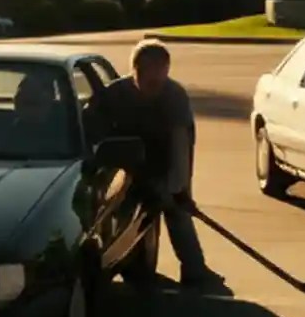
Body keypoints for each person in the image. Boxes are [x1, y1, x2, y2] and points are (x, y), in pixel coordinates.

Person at [96, 39, 225, 290]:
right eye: (148, 77)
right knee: (125, 216)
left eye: (160, 75)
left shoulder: (175, 97)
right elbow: (91, 132)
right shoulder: (112, 95)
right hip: (124, 169)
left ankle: (194, 270)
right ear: (135, 71)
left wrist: (179, 189)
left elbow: (181, 145)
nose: (155, 84)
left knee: (178, 212)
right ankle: (129, 267)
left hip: (163, 167)